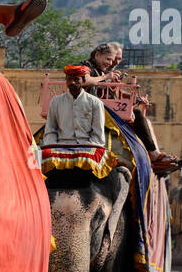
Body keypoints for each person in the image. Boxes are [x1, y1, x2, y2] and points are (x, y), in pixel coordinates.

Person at [82, 41, 178, 174]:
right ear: (97, 55)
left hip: (104, 104)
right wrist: (106, 77)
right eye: (109, 59)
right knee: (137, 114)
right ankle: (154, 155)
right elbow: (81, 80)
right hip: (92, 106)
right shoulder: (86, 67)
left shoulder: (101, 70)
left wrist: (132, 96)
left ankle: (155, 153)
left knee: (142, 119)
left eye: (116, 59)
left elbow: (113, 92)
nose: (112, 63)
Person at [42, 65, 106, 148]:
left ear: (83, 80)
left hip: (87, 147)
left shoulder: (96, 103)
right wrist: (52, 147)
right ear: (66, 80)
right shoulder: (55, 102)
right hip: (61, 146)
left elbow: (98, 134)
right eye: (69, 79)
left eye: (76, 79)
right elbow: (50, 130)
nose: (72, 82)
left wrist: (88, 149)